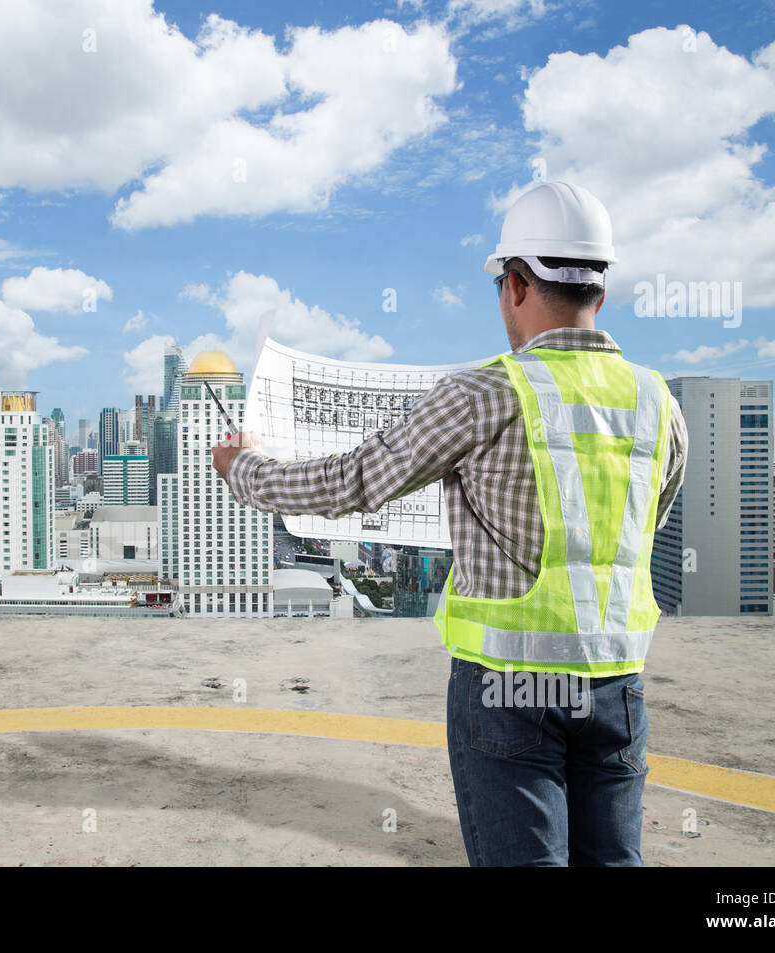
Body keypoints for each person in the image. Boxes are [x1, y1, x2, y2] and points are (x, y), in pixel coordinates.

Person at [211, 181, 688, 866]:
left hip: (508, 687)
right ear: (599, 292)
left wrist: (245, 471)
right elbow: (643, 529)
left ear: (515, 284)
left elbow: (354, 480)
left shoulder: (485, 393)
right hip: (616, 687)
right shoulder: (656, 401)